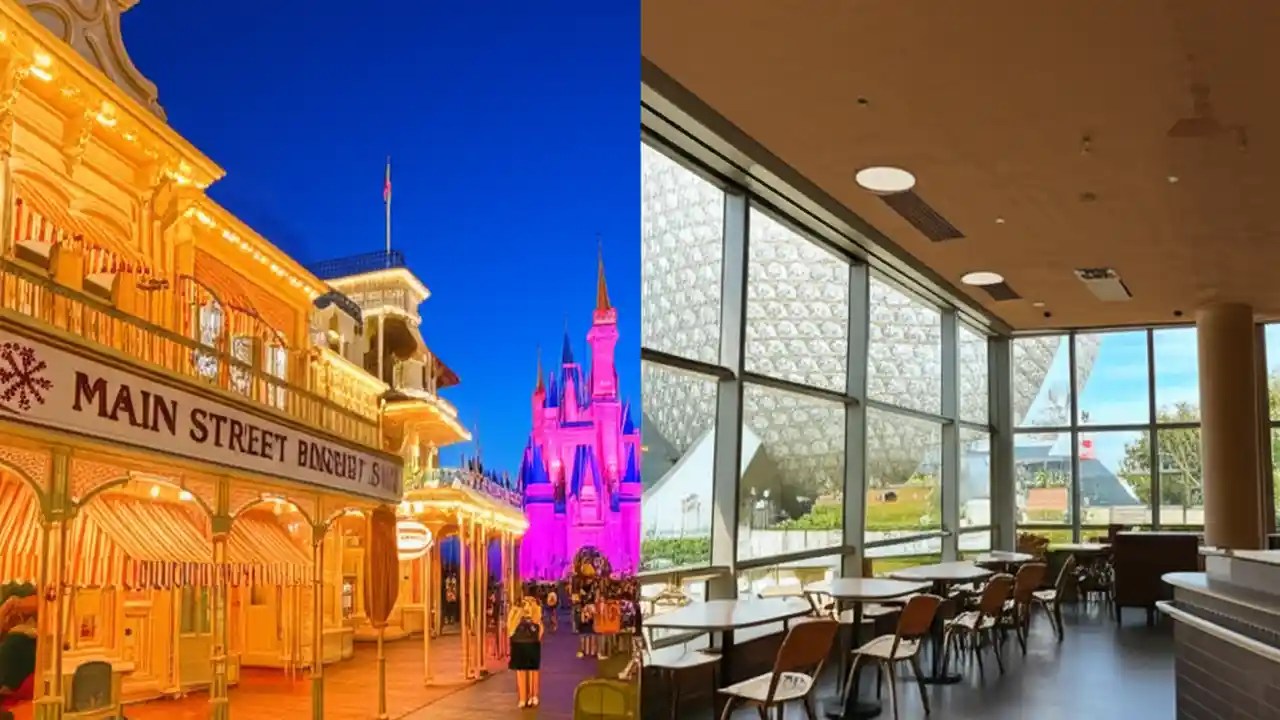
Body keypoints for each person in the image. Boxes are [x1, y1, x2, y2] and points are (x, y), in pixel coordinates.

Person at [508, 596, 543, 709]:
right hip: (519, 644)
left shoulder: (535, 615)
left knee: (533, 672)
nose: (526, 605)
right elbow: (510, 628)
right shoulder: (516, 615)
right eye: (525, 603)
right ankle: (523, 697)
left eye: (528, 603)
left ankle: (533, 695)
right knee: (521, 673)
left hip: (531, 644)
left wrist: (538, 638)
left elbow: (540, 628)